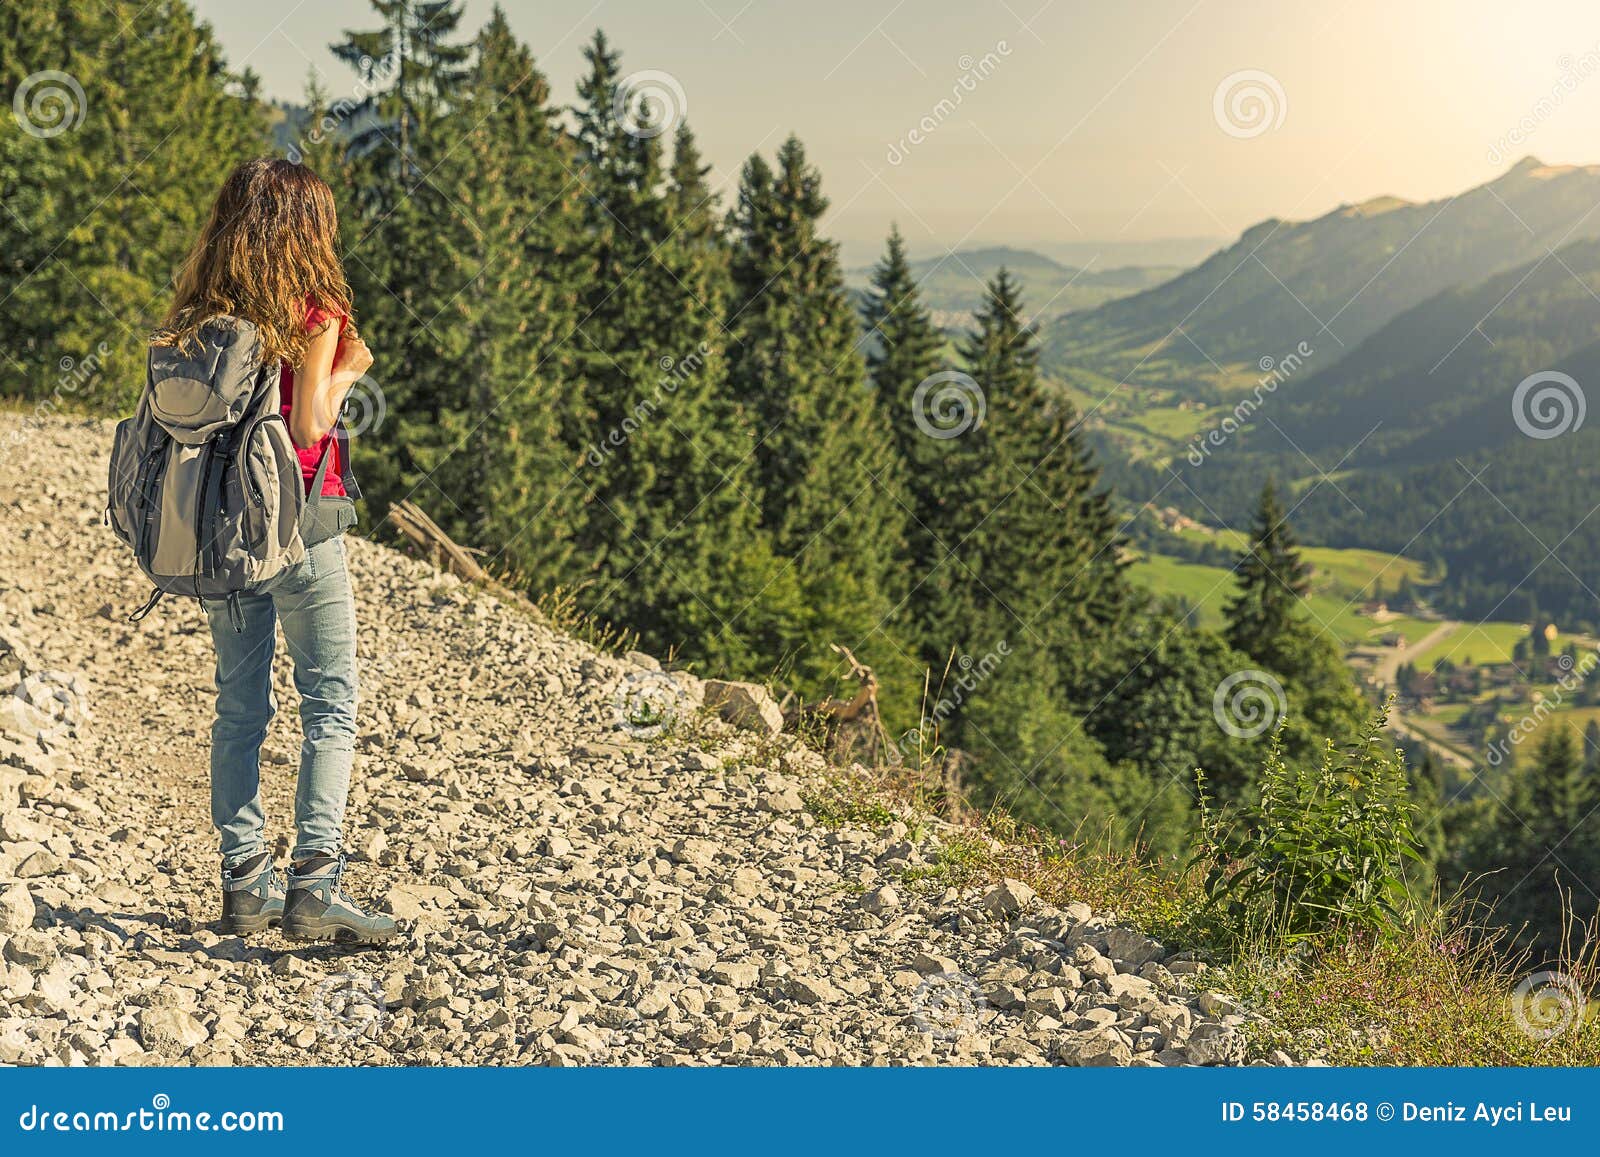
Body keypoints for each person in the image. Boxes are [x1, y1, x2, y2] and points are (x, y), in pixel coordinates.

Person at [151, 158, 395, 943]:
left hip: (221, 529)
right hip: (299, 525)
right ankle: (316, 886)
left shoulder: (199, 310)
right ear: (304, 229)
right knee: (330, 697)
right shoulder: (313, 309)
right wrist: (351, 366)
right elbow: (310, 428)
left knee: (239, 705)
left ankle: (244, 880)